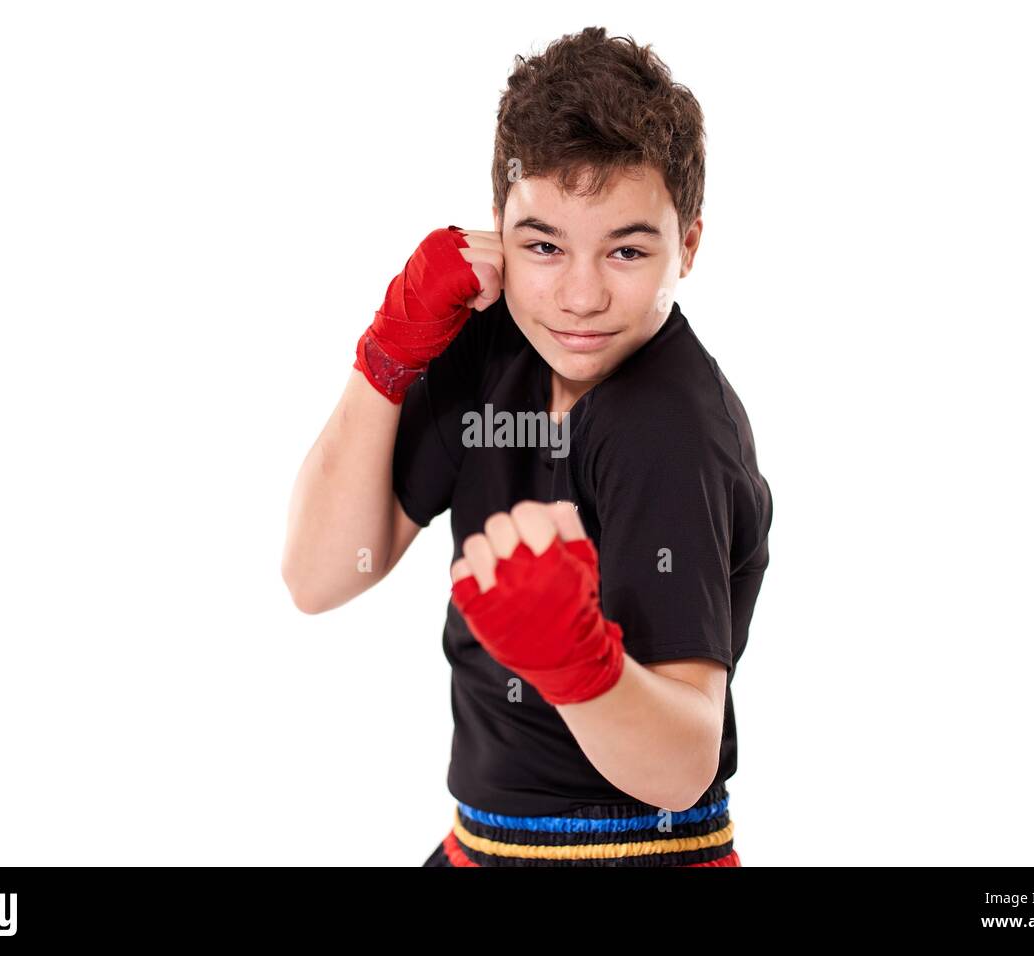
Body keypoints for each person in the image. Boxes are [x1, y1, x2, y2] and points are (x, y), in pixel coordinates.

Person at [282, 26, 772, 867]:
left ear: (687, 244)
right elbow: (321, 575)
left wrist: (575, 662)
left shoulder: (671, 429)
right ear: (498, 228)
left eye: (626, 249)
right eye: (543, 246)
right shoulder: (492, 349)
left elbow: (683, 766)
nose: (579, 297)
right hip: (481, 847)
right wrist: (386, 359)